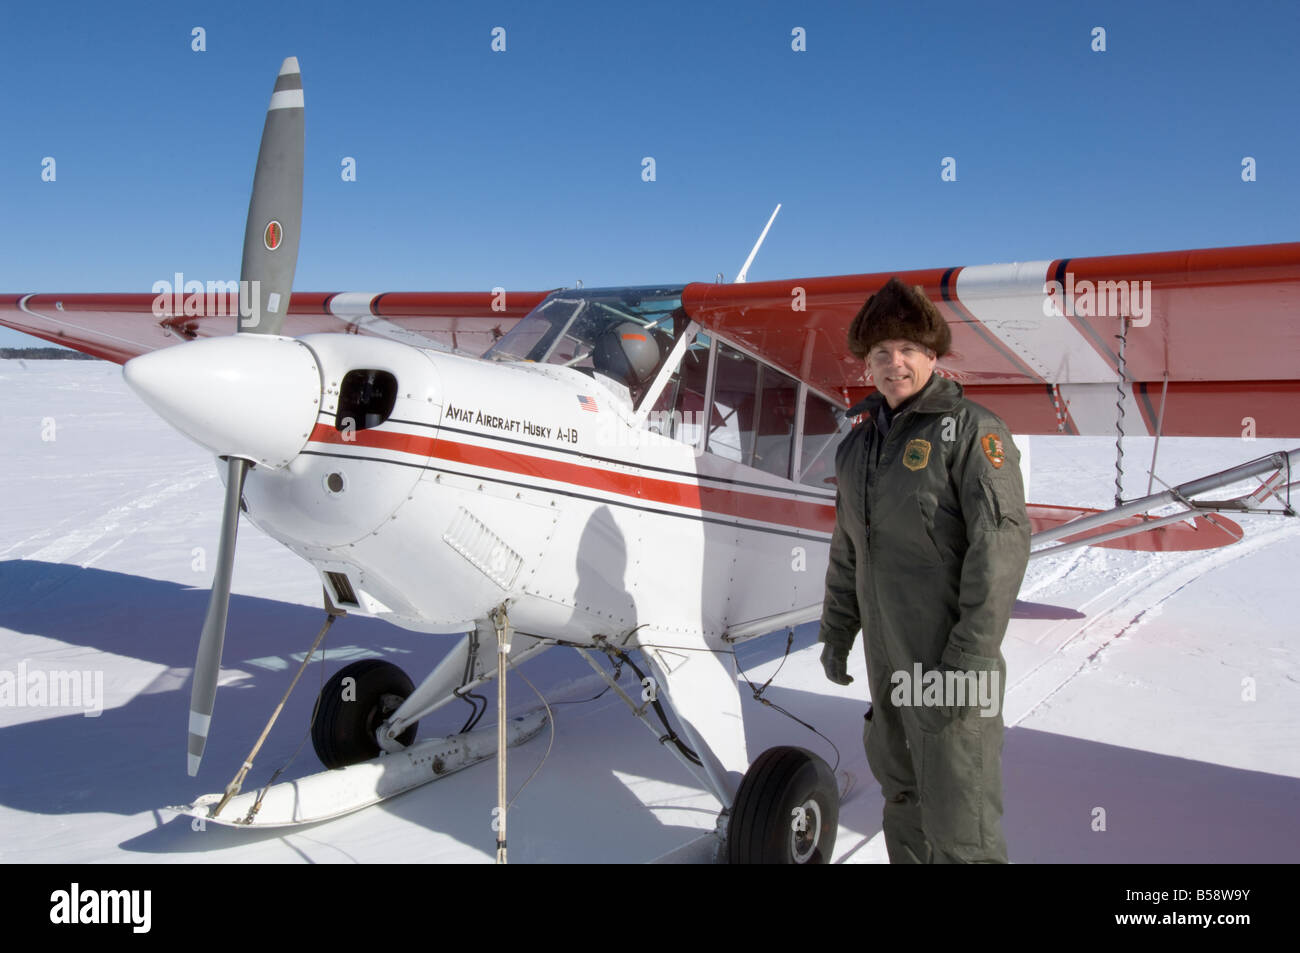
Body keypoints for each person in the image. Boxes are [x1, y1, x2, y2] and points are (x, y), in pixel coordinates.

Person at [817, 276, 1030, 863]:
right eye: (880, 353)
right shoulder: (858, 445)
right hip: (889, 658)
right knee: (903, 795)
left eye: (908, 350)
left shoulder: (973, 432)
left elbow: (1002, 544)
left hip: (950, 657)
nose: (895, 364)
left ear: (932, 356)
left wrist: (972, 653)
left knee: (961, 814)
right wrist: (838, 630)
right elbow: (849, 547)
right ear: (866, 364)